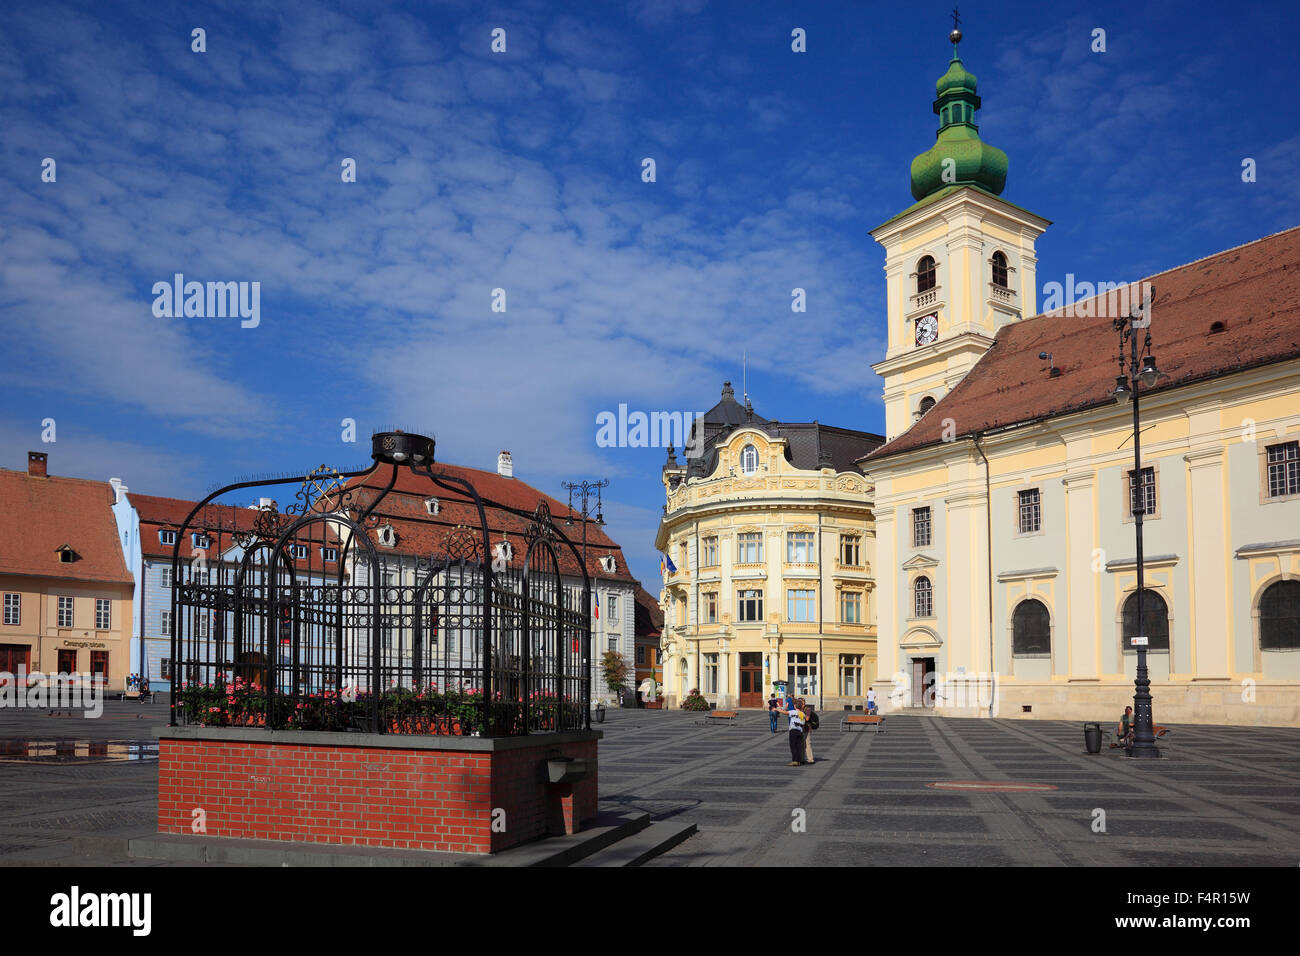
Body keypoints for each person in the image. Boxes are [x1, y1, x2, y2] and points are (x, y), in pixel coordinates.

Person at [777, 697, 806, 765]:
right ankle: (799, 760)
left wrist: (777, 709)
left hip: (793, 731)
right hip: (800, 731)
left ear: (795, 706)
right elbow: (803, 723)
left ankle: (795, 761)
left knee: (793, 746)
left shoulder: (793, 712)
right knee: (798, 746)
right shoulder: (802, 714)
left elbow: (785, 712)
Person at [802, 699, 819, 763]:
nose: (802, 705)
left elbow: (807, 718)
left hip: (807, 728)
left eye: (803, 703)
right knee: (802, 744)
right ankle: (802, 758)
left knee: (807, 743)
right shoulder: (800, 710)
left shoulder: (807, 709)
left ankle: (810, 759)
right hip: (801, 728)